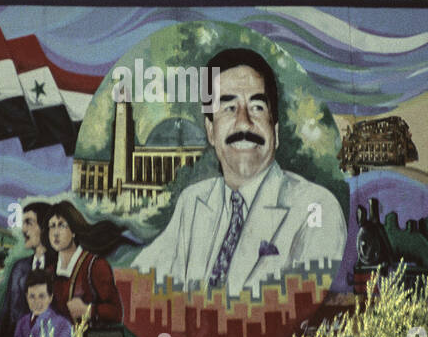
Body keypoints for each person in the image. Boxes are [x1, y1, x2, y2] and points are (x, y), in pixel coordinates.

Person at [132, 47, 347, 297]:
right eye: (229, 108)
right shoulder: (192, 203)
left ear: (275, 132)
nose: (244, 122)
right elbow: (137, 284)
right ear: (211, 131)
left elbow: (298, 315)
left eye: (257, 107)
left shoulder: (317, 207)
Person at [45, 200, 125, 326]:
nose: (55, 233)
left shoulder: (95, 266)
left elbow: (116, 312)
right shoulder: (49, 272)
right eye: (52, 226)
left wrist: (88, 310)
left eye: (61, 225)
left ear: (73, 231)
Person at [0, 200, 52, 337]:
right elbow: (7, 310)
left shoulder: (59, 267)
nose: (23, 229)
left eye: (29, 223)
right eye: (23, 223)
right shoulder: (19, 268)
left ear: (44, 228)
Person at [11, 271, 72, 337]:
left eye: (41, 296)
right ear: (26, 297)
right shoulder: (22, 323)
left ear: (50, 298)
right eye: (32, 296)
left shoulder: (63, 325)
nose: (36, 302)